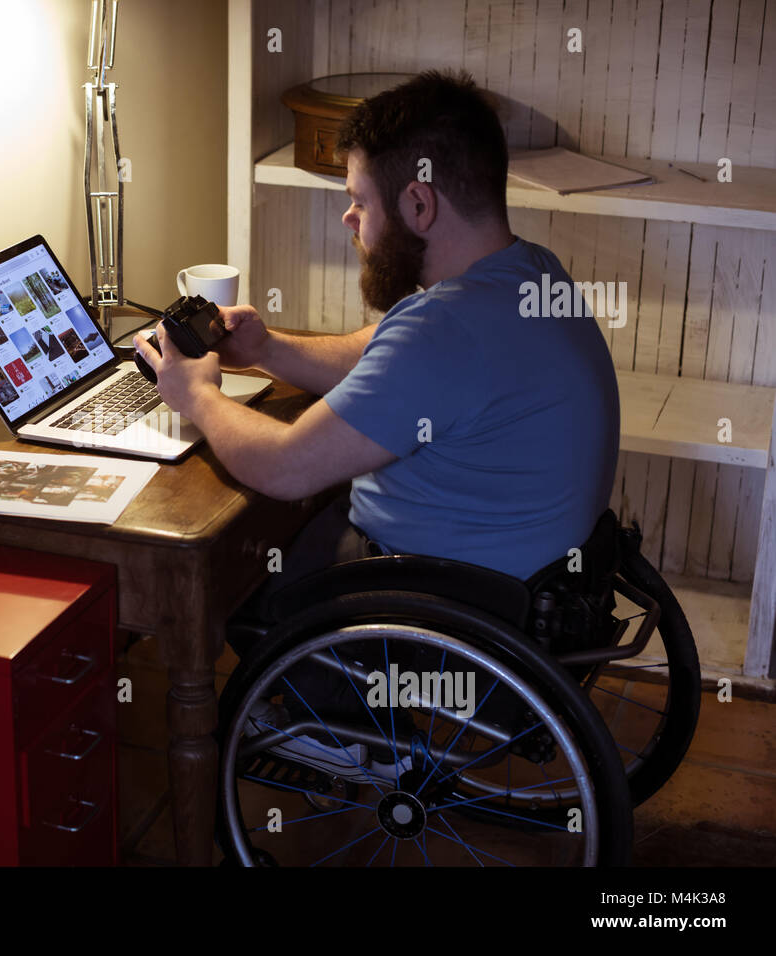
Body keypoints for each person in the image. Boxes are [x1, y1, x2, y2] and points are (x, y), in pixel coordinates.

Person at [134, 70, 619, 644]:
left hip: (442, 602)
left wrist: (196, 395)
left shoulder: (443, 330)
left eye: (360, 201)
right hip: (537, 585)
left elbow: (285, 469)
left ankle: (309, 727)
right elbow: (378, 354)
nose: (350, 218)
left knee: (235, 584)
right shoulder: (531, 273)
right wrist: (266, 350)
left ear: (418, 202)